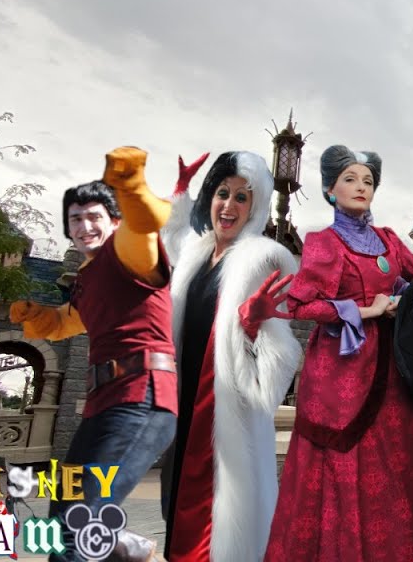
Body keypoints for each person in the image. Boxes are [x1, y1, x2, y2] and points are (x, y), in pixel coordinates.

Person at [265, 146, 413, 561]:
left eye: (368, 181)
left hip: (390, 373)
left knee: (394, 464)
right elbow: (300, 305)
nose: (361, 187)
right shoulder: (323, 243)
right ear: (329, 189)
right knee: (340, 466)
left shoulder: (390, 241)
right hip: (338, 374)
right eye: (350, 179)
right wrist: (364, 310)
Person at [9, 147, 176, 562]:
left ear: (114, 220)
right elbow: (72, 320)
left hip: (142, 398)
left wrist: (131, 186)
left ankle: (119, 547)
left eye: (94, 216)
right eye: (75, 219)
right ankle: (125, 548)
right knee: (64, 511)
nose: (84, 226)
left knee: (75, 525)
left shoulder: (130, 249)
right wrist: (44, 321)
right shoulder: (87, 276)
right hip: (104, 404)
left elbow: (148, 222)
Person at [159, 152, 304, 561]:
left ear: (254, 208)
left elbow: (276, 367)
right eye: (223, 193)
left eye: (242, 198)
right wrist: (179, 195)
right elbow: (170, 244)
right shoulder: (195, 255)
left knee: (220, 515)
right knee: (177, 497)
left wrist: (254, 324)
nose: (229, 205)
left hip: (225, 409)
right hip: (185, 398)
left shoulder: (262, 259)